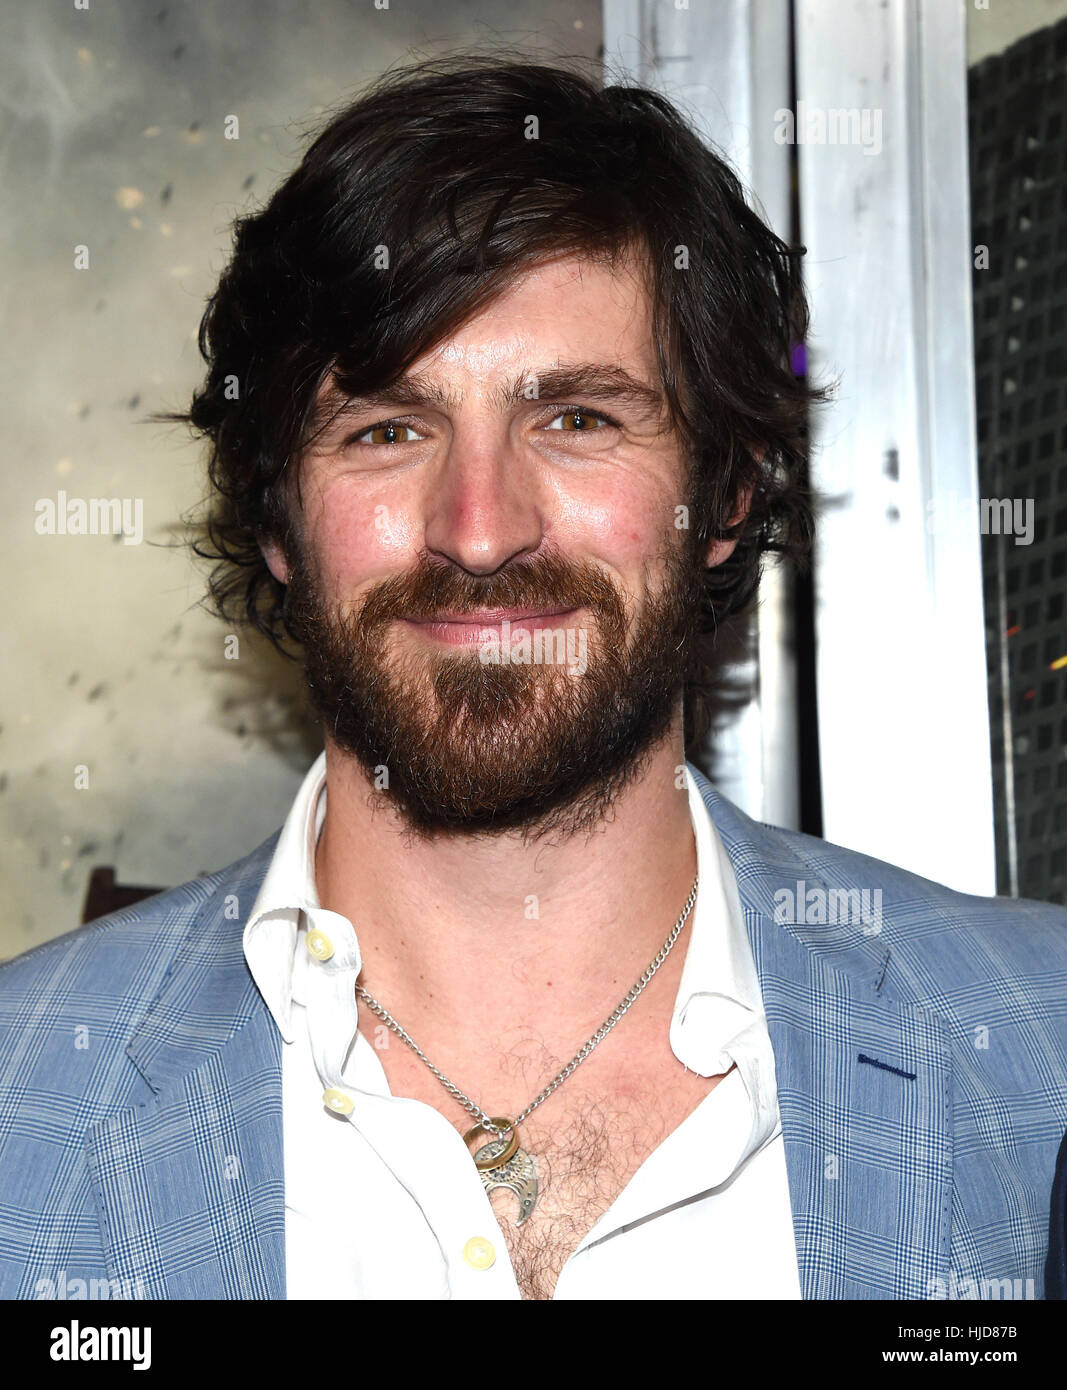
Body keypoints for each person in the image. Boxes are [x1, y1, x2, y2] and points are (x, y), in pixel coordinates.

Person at [1, 55, 1064, 1303]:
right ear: (279, 525)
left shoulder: (1037, 1051)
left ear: (722, 494)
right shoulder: (28, 1104)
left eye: (577, 419)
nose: (481, 525)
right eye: (387, 429)